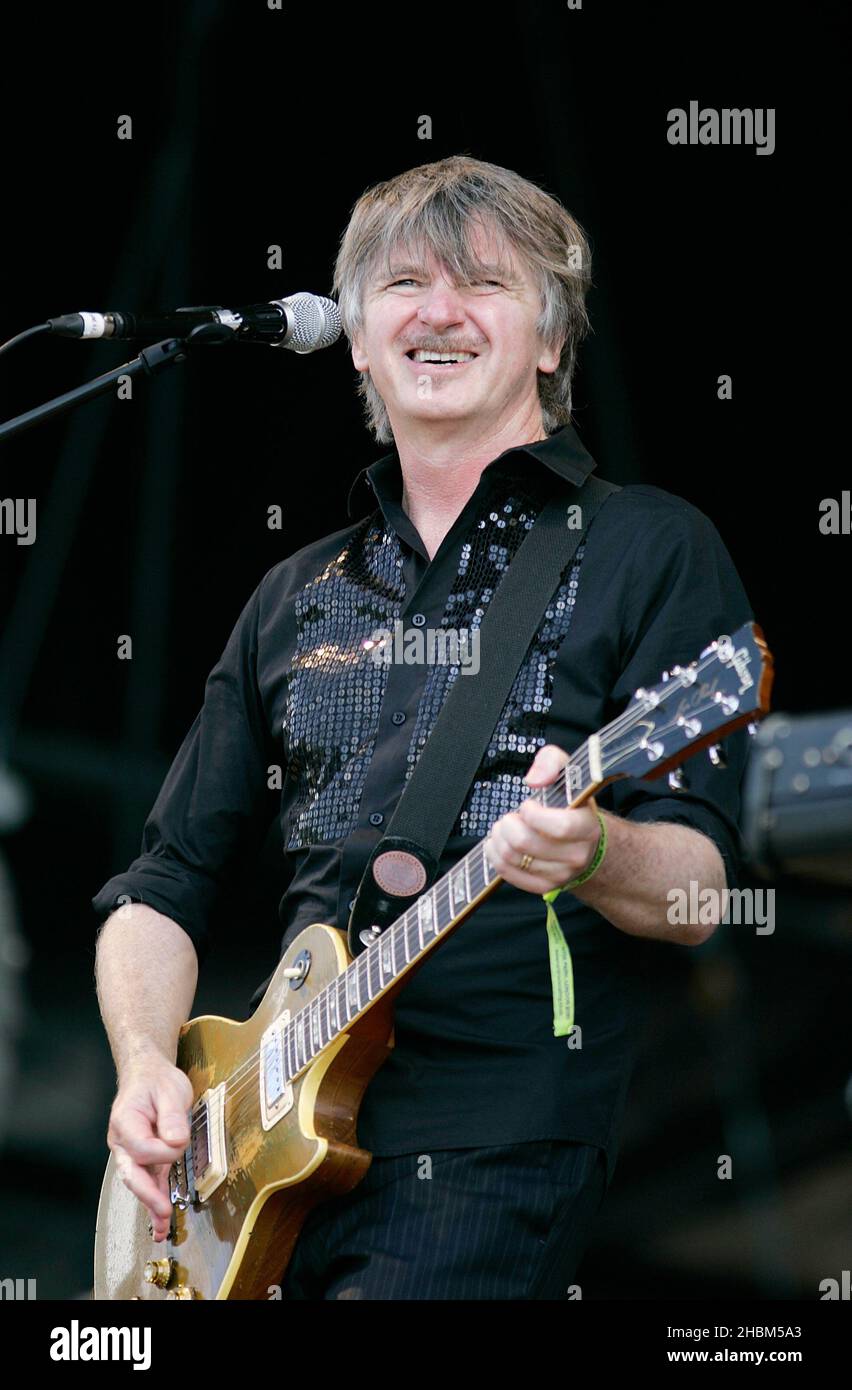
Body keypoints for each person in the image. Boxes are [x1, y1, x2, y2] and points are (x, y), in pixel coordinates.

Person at [93, 154, 752, 1300]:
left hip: (493, 1143)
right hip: (251, 1164)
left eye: (484, 285)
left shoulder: (649, 549)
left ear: (551, 340)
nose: (438, 311)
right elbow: (161, 885)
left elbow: (697, 890)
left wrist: (592, 849)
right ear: (354, 338)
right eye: (403, 284)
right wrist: (147, 1061)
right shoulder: (297, 594)